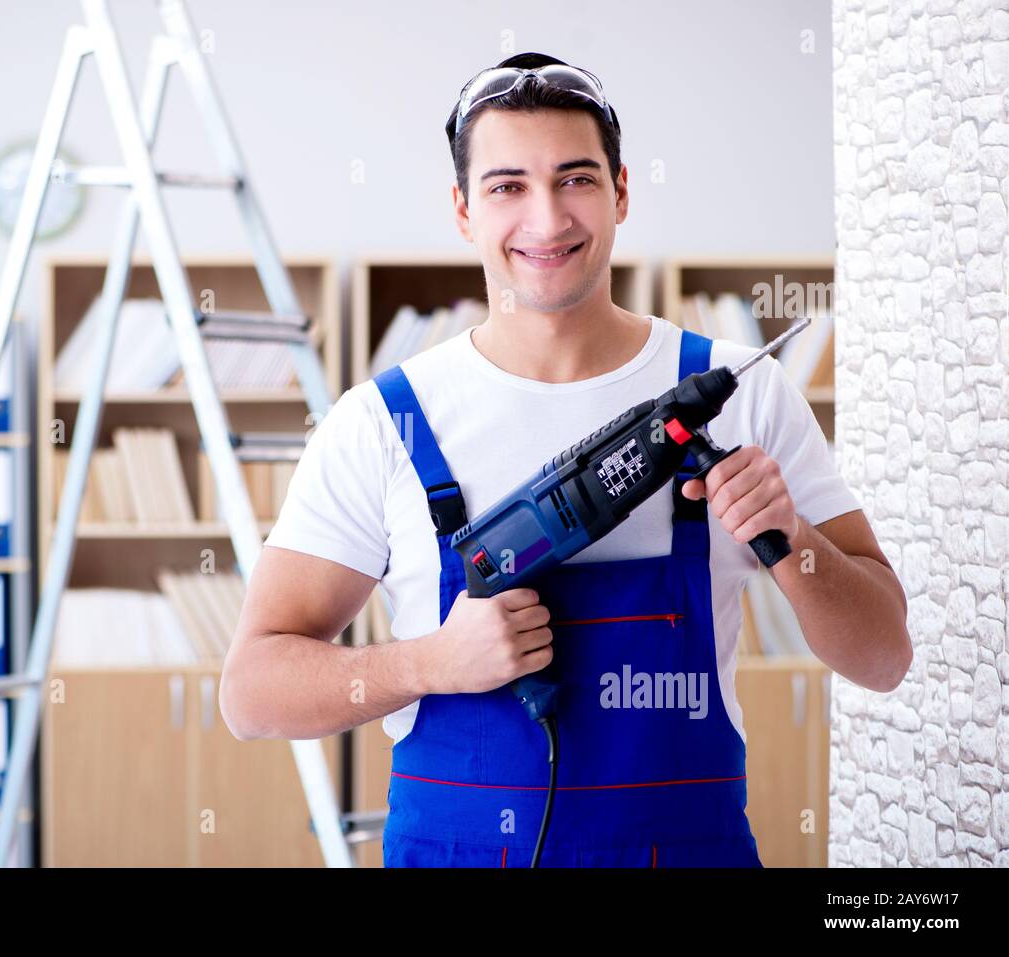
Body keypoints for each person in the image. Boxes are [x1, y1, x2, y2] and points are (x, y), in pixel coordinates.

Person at [219, 52, 911, 867]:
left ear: (621, 191)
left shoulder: (744, 396)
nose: (547, 221)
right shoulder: (383, 424)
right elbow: (250, 693)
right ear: (463, 210)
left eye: (576, 179)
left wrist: (792, 540)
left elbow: (885, 656)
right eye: (508, 185)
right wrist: (430, 663)